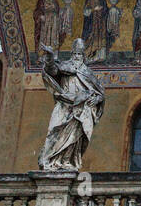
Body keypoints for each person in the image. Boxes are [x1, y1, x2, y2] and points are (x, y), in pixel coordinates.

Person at [38, 39, 104, 173]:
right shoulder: (64, 66)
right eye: (74, 54)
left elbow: (100, 93)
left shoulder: (88, 73)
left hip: (80, 109)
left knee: (75, 138)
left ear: (83, 56)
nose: (77, 56)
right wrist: (50, 57)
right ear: (71, 54)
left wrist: (97, 99)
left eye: (79, 54)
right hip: (64, 104)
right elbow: (52, 71)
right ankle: (50, 160)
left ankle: (66, 161)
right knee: (55, 131)